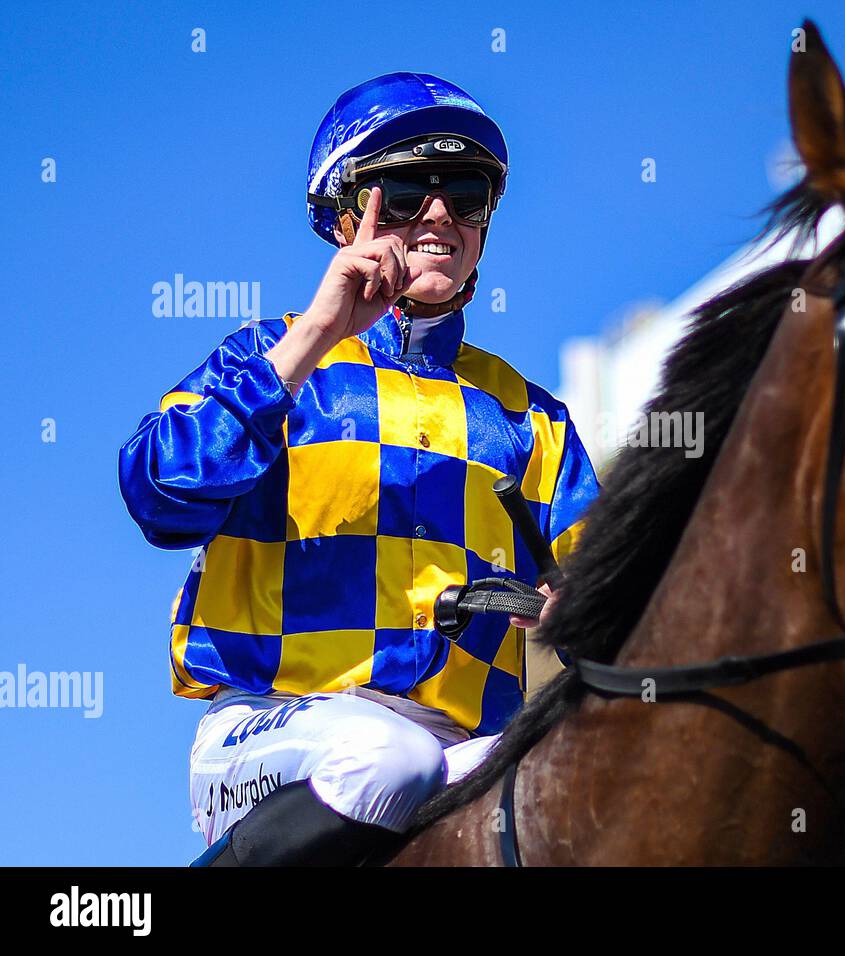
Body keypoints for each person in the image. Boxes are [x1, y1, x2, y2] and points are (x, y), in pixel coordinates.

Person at [118, 72, 599, 866]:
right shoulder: (265, 356)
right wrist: (313, 336)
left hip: (458, 750)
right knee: (383, 757)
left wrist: (578, 606)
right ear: (347, 220)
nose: (440, 214)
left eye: (467, 193)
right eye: (408, 191)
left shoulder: (529, 415)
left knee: (574, 779)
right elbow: (153, 496)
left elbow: (620, 589)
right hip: (270, 731)